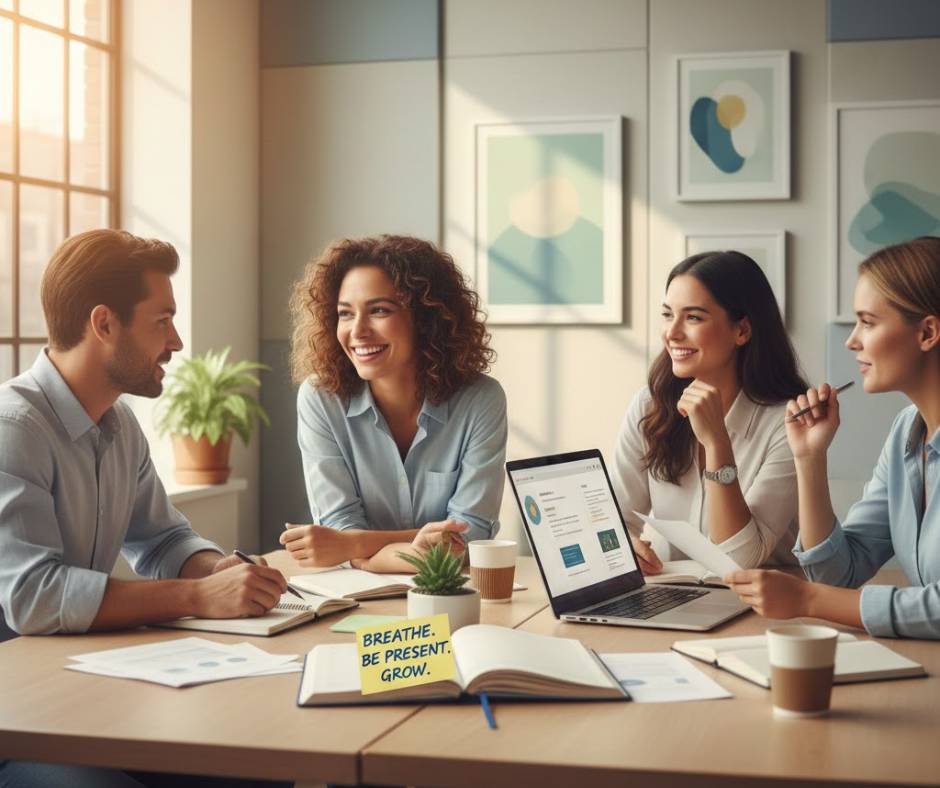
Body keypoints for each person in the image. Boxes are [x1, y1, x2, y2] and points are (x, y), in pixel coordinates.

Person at [0, 230, 290, 787]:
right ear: (104, 324)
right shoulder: (15, 428)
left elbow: (161, 540)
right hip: (19, 717)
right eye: (163, 320)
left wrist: (217, 571)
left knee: (258, 765)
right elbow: (34, 598)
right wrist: (198, 596)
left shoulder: (120, 424)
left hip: (84, 691)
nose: (176, 341)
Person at [725, 237, 940, 640]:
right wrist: (809, 457)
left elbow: (824, 592)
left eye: (868, 322)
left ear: (927, 332)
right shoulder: (905, 434)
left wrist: (808, 600)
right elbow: (838, 574)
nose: (851, 340)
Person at [281, 235, 507, 571]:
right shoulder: (320, 399)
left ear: (426, 318)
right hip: (355, 595)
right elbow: (339, 526)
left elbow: (469, 537)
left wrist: (354, 547)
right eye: (345, 313)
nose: (357, 331)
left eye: (379, 311)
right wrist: (411, 547)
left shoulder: (481, 400)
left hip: (451, 592)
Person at [614, 251, 808, 574]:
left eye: (693, 317)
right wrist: (625, 546)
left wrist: (717, 442)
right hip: (672, 593)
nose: (671, 333)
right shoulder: (649, 405)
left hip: (761, 598)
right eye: (668, 315)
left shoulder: (788, 423)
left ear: (742, 330)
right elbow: (615, 518)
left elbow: (738, 561)